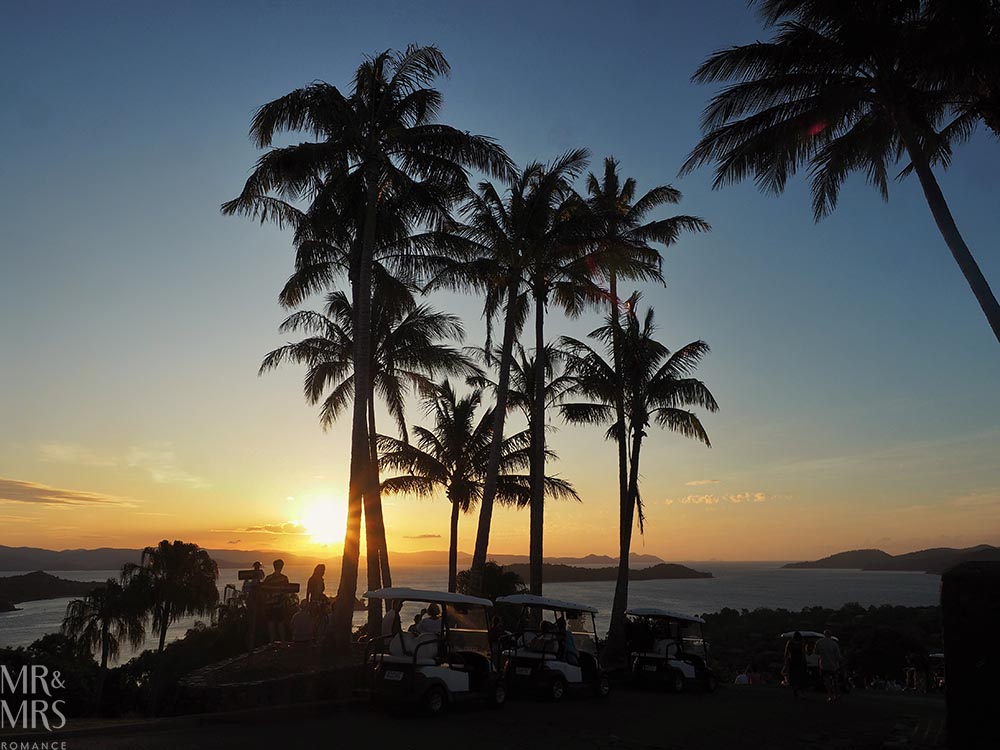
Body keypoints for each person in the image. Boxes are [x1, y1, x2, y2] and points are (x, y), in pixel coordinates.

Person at [263, 559, 290, 642]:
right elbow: (287, 591)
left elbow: (264, 590)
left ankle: (272, 642)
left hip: (269, 605)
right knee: (280, 623)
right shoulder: (284, 578)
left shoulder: (268, 578)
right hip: (279, 605)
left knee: (271, 623)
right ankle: (283, 641)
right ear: (282, 567)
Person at [815, 630, 842, 702]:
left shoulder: (819, 642)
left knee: (826, 680)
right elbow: (838, 656)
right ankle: (836, 694)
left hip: (823, 664)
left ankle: (830, 695)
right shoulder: (834, 644)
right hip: (833, 665)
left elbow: (816, 652)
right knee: (835, 680)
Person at [784, 631, 808, 698]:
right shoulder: (802, 643)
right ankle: (801, 691)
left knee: (793, 675)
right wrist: (805, 661)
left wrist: (786, 661)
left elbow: (786, 653)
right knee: (801, 676)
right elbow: (803, 653)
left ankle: (795, 689)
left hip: (792, 660)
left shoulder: (790, 642)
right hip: (800, 661)